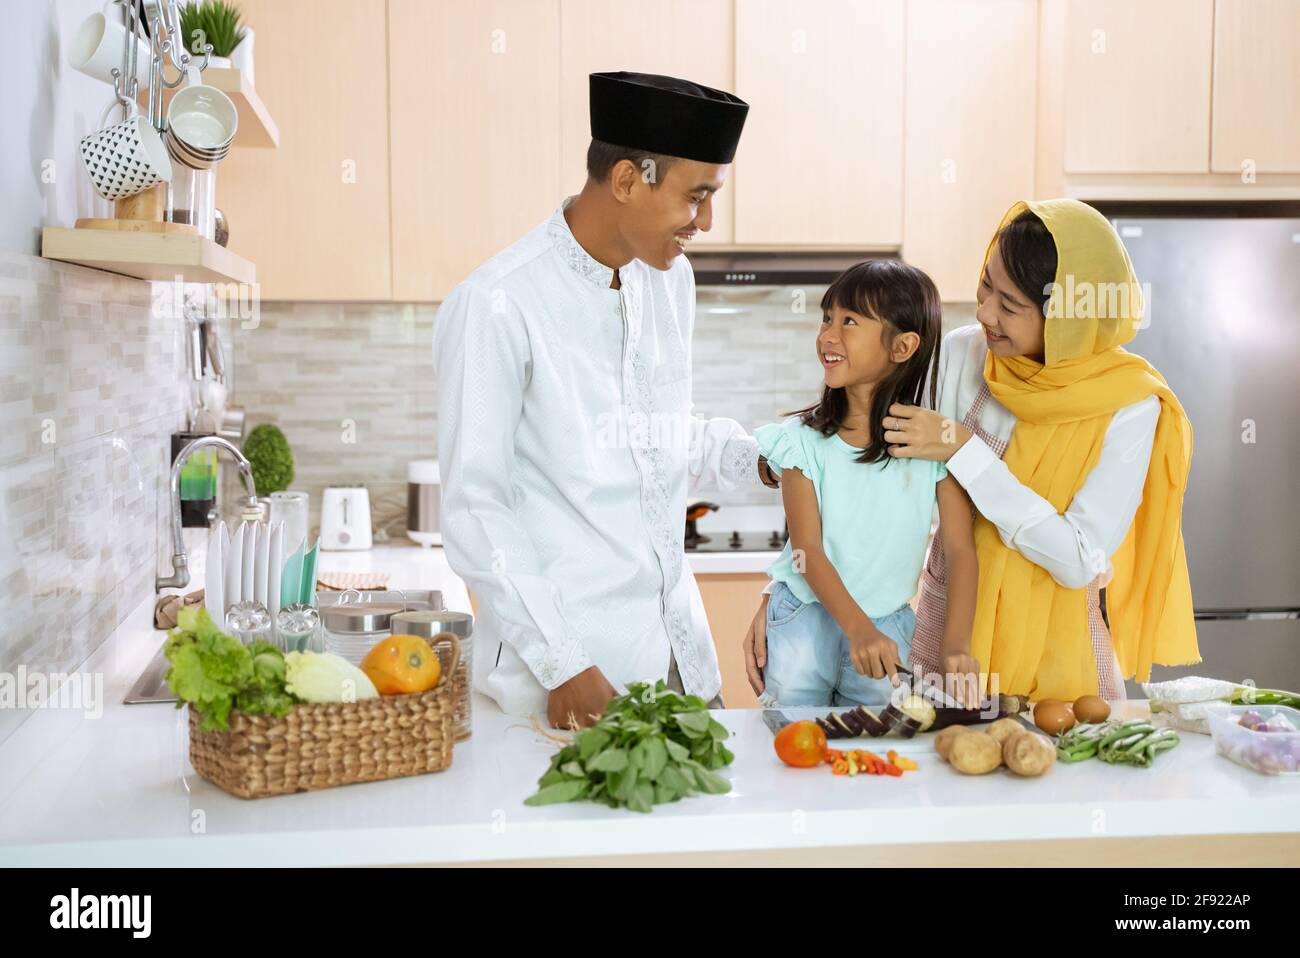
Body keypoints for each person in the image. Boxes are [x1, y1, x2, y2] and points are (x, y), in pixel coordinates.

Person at [749, 199, 1200, 703]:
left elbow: (1078, 559)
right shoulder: (963, 354)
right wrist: (789, 598)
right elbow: (855, 477)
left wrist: (962, 448)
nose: (985, 312)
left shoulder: (1131, 404)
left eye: (1010, 305)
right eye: (987, 284)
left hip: (1059, 642)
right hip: (948, 628)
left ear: (1067, 317)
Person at [434, 72, 778, 729]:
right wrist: (565, 664)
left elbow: (660, 436)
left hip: (685, 667)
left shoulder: (670, 281)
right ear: (626, 181)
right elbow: (476, 509)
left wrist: (759, 459)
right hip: (572, 686)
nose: (704, 221)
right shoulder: (496, 305)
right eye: (697, 197)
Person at [752, 260, 980, 709]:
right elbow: (807, 553)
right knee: (795, 750)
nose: (827, 336)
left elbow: (960, 550)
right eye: (826, 318)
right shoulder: (800, 444)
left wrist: (956, 645)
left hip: (888, 630)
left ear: (902, 346)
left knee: (882, 760)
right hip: (804, 621)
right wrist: (858, 630)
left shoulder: (933, 446)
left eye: (849, 321)